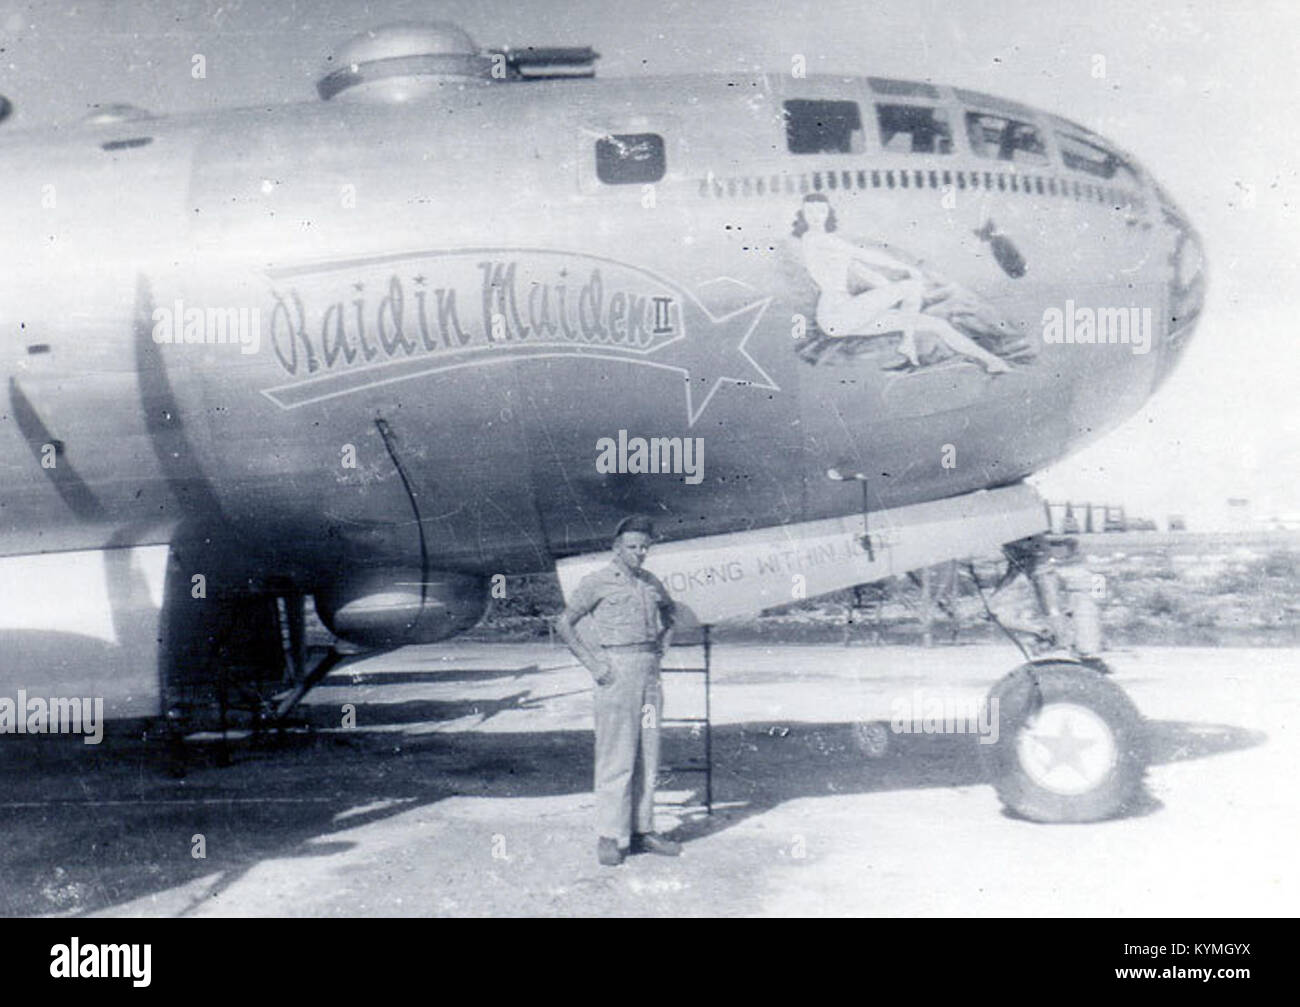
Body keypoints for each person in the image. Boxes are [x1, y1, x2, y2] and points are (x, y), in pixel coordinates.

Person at [555, 515, 682, 866]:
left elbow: (670, 614)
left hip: (649, 671)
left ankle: (644, 830)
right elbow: (563, 623)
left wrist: (662, 646)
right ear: (616, 547)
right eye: (632, 546)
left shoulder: (650, 582)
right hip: (616, 671)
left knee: (648, 753)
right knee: (616, 755)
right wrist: (595, 665)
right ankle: (609, 836)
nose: (639, 552)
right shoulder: (597, 582)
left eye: (644, 547)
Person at [793, 193, 1010, 373]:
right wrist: (906, 269)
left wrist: (889, 291)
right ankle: (908, 343)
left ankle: (992, 361)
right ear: (803, 215)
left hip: (851, 313)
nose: (816, 217)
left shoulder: (833, 246)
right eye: (810, 212)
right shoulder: (815, 239)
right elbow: (864, 254)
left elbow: (866, 272)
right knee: (911, 286)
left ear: (828, 213)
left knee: (937, 325)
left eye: (820, 211)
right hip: (835, 313)